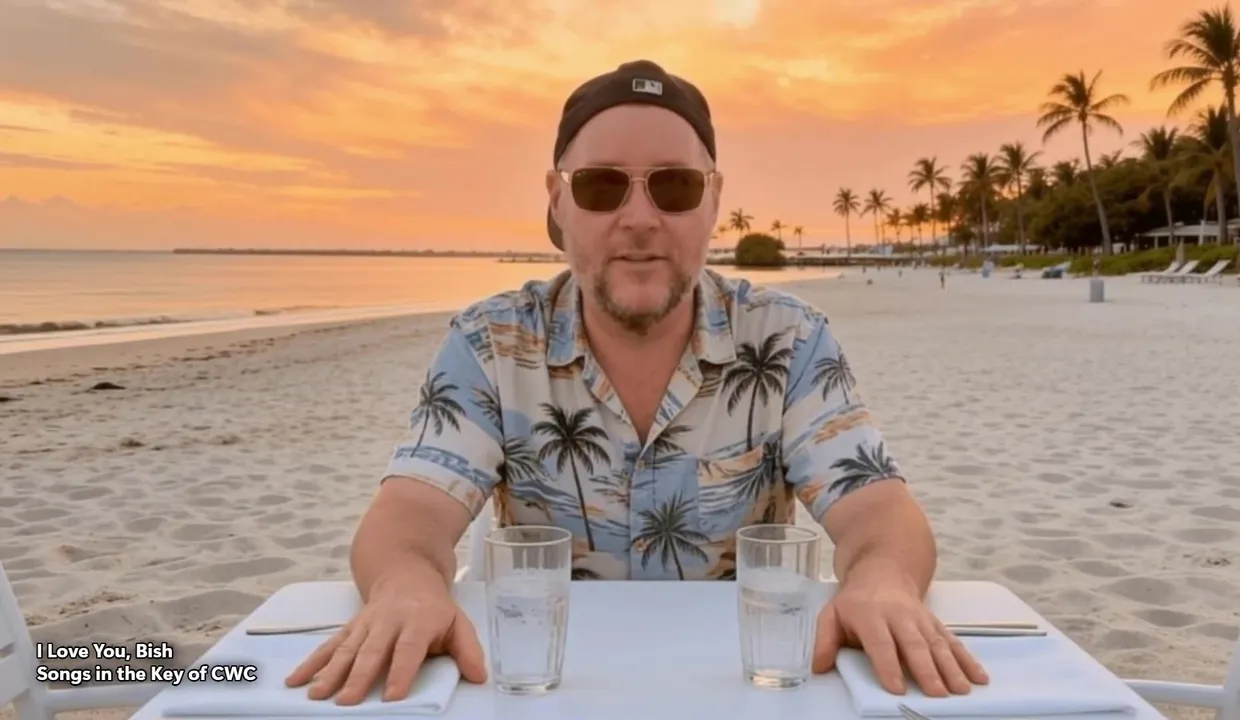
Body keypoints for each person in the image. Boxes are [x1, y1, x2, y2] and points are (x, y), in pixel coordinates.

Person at [285, 59, 987, 705]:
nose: (641, 219)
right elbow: (412, 512)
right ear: (557, 201)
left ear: (714, 201)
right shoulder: (491, 344)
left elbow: (877, 511)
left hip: (741, 693)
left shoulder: (788, 340)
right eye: (602, 186)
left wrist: (883, 581)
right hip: (549, 693)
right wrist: (406, 586)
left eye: (675, 186)